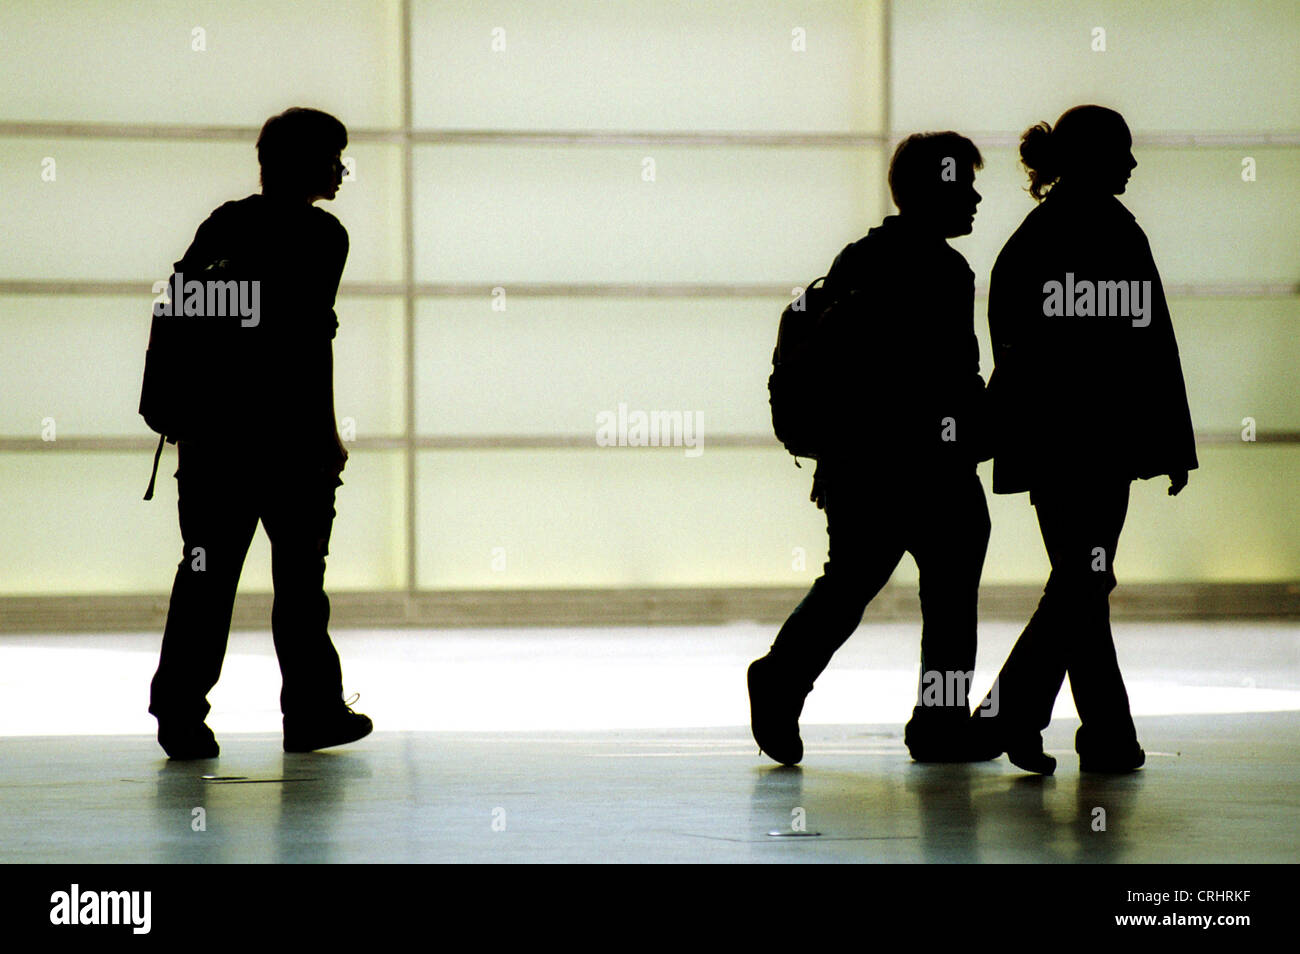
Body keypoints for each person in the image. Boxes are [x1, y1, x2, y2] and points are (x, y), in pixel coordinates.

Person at [748, 131, 998, 766]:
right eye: (962, 184)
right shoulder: (942, 270)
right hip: (928, 466)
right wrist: (982, 429)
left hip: (858, 463)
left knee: (850, 583)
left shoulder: (857, 258)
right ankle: (939, 721)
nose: (974, 197)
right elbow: (951, 377)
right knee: (948, 596)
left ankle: (782, 676)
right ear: (932, 190)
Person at [973, 105, 1197, 774]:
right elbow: (1150, 349)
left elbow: (1018, 353)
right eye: (1122, 152)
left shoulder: (1035, 235)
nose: (1131, 164)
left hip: (1053, 446)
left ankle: (1104, 734)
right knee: (1083, 583)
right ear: (1096, 158)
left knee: (1080, 582)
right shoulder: (1111, 231)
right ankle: (1015, 716)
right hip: (1100, 446)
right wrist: (1170, 444)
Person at [147, 107, 372, 759]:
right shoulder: (323, 237)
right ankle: (311, 713)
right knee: (301, 585)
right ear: (308, 163)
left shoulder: (225, 225)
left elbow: (191, 310)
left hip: (215, 443)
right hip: (291, 446)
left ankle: (180, 715)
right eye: (334, 158)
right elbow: (305, 343)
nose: (340, 170)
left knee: (204, 578)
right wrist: (327, 436)